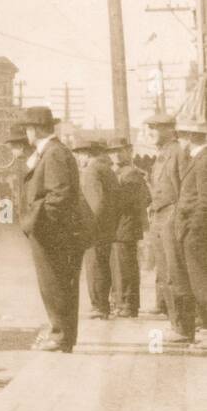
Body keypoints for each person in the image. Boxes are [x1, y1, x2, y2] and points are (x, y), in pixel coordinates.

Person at [19, 107, 91, 353]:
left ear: (37, 129)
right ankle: (61, 334)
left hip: (55, 231)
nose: (26, 133)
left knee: (56, 283)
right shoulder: (51, 152)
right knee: (57, 283)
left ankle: (60, 336)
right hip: (55, 229)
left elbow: (59, 195)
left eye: (28, 128)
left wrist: (42, 224)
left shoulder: (54, 153)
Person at [147, 112, 194, 340]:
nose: (151, 132)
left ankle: (185, 327)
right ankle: (176, 324)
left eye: (155, 127)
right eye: (151, 127)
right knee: (165, 272)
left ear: (169, 129)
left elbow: (185, 187)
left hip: (171, 215)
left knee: (176, 272)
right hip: (159, 215)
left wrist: (178, 216)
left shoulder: (178, 152)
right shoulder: (162, 154)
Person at [74, 139, 118, 320]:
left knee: (94, 265)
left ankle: (99, 306)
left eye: (80, 154)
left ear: (86, 154)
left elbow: (96, 202)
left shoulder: (91, 171)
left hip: (96, 227)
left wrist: (89, 226)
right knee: (102, 264)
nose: (78, 158)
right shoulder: (106, 169)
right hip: (107, 225)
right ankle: (103, 304)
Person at [174, 114, 207, 346]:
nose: (180, 141)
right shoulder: (197, 159)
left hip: (197, 232)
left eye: (182, 136)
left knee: (201, 281)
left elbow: (205, 201)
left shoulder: (203, 161)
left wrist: (194, 229)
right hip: (191, 230)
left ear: (192, 137)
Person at [109, 138, 150, 318]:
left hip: (125, 226)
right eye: (113, 151)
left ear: (129, 150)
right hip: (119, 227)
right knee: (119, 266)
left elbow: (135, 200)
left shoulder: (131, 173)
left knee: (125, 266)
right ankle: (122, 302)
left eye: (120, 150)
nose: (116, 154)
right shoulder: (118, 172)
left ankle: (128, 304)